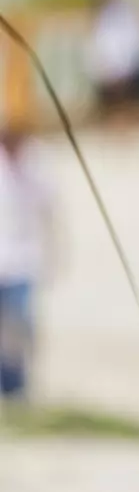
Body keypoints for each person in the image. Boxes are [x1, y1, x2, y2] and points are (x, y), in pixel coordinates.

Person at [0, 121, 54, 403]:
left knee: (20, 323)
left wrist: (53, 253)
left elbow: (49, 211)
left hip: (23, 259)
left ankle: (17, 386)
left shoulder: (37, 162)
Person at [86, 0, 139, 126]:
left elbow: (138, 47)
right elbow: (97, 54)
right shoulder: (101, 22)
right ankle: (118, 113)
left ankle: (130, 111)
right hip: (109, 74)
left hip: (129, 72)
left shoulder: (127, 17)